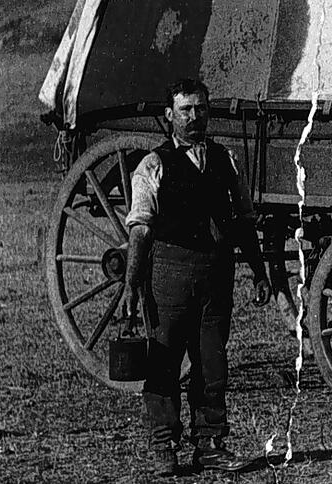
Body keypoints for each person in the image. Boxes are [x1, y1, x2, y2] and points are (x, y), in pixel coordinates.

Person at [120, 78, 269, 477]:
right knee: (164, 362)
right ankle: (163, 447)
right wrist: (133, 283)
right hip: (169, 276)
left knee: (212, 364)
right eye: (185, 109)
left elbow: (243, 220)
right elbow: (140, 229)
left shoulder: (226, 159)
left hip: (215, 277)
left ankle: (210, 446)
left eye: (200, 108)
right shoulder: (152, 165)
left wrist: (258, 272)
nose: (194, 116)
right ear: (170, 115)